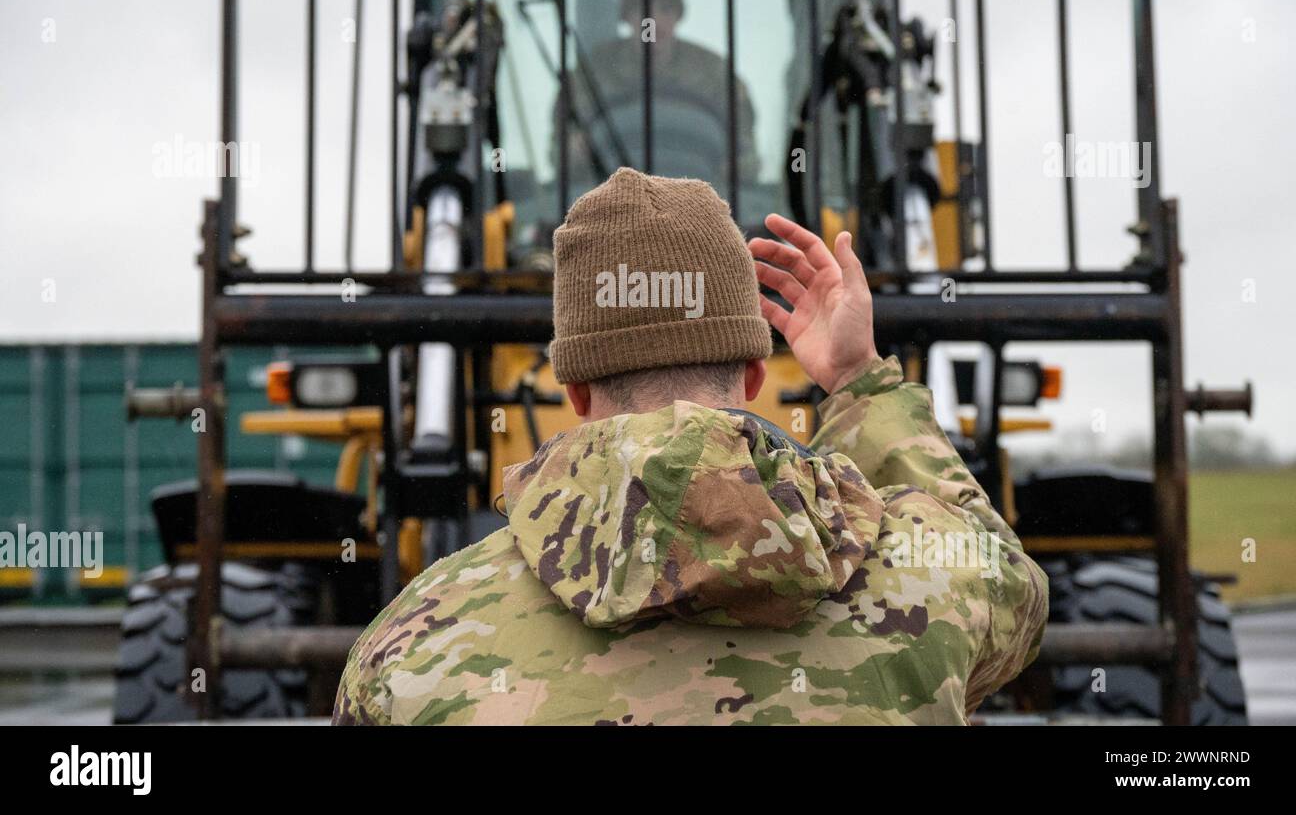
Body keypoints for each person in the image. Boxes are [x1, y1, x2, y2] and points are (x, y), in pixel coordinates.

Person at [333, 167, 1047, 725]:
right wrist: (861, 383)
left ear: (575, 391)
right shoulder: (935, 591)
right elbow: (1011, 582)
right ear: (755, 372)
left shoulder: (410, 648)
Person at [555, 0, 760, 197]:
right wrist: (573, 153)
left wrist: (734, 166)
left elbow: (745, 157)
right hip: (610, 211)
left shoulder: (715, 75)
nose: (654, 21)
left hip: (699, 214)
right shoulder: (591, 75)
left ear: (678, 15)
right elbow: (561, 155)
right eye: (643, 11)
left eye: (665, 9)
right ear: (627, 17)